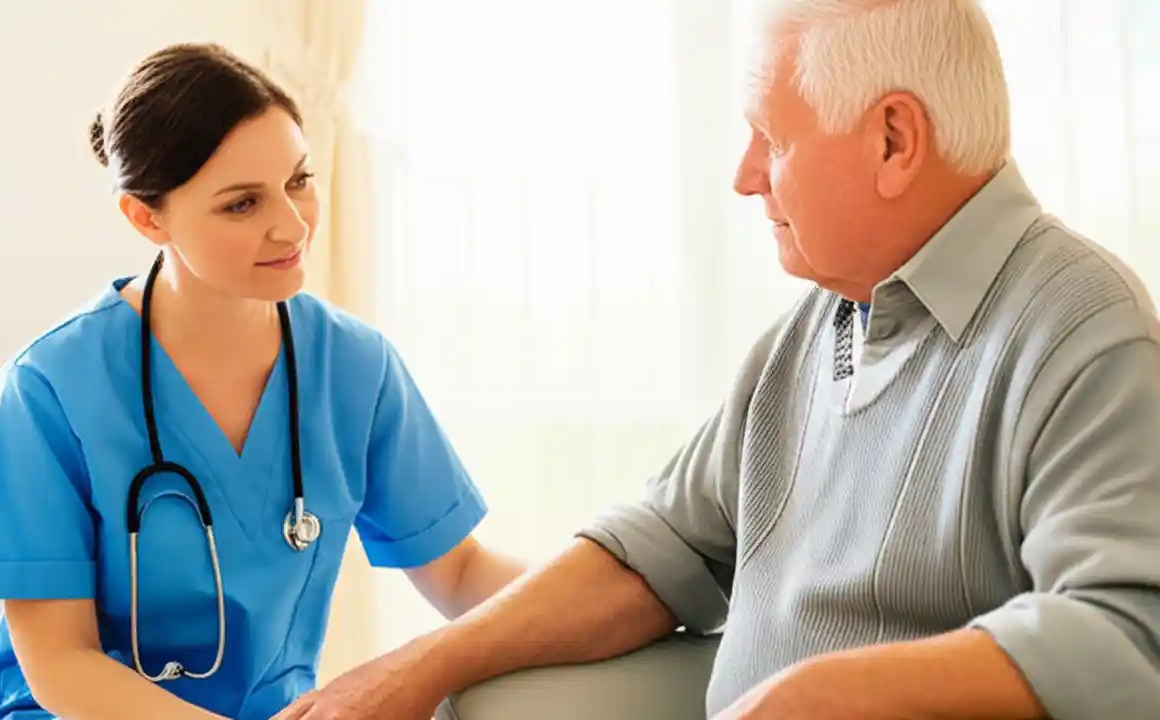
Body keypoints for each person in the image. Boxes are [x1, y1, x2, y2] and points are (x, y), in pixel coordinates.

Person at [272, 1, 1160, 718]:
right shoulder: (813, 331)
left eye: (772, 139)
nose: (744, 175)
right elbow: (654, 552)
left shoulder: (1083, 328)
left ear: (894, 140)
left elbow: (1128, 633)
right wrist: (414, 670)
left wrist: (826, 696)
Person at [0, 43, 524, 720]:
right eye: (242, 204)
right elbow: (60, 662)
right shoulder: (51, 386)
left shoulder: (352, 366)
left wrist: (630, 598)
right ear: (146, 217)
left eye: (299, 179)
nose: (291, 223)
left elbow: (458, 571)